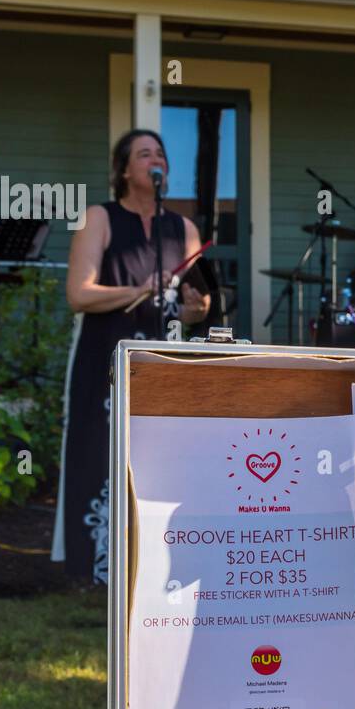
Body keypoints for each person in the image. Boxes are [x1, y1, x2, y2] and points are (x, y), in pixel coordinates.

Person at [53, 130, 210, 584]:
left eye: (160, 153)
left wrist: (195, 310)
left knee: (160, 458)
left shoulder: (184, 228)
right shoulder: (99, 218)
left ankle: (155, 567)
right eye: (144, 154)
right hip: (102, 355)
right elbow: (78, 295)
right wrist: (138, 289)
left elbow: (190, 301)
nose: (155, 159)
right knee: (96, 454)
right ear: (124, 170)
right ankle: (94, 568)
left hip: (159, 359)